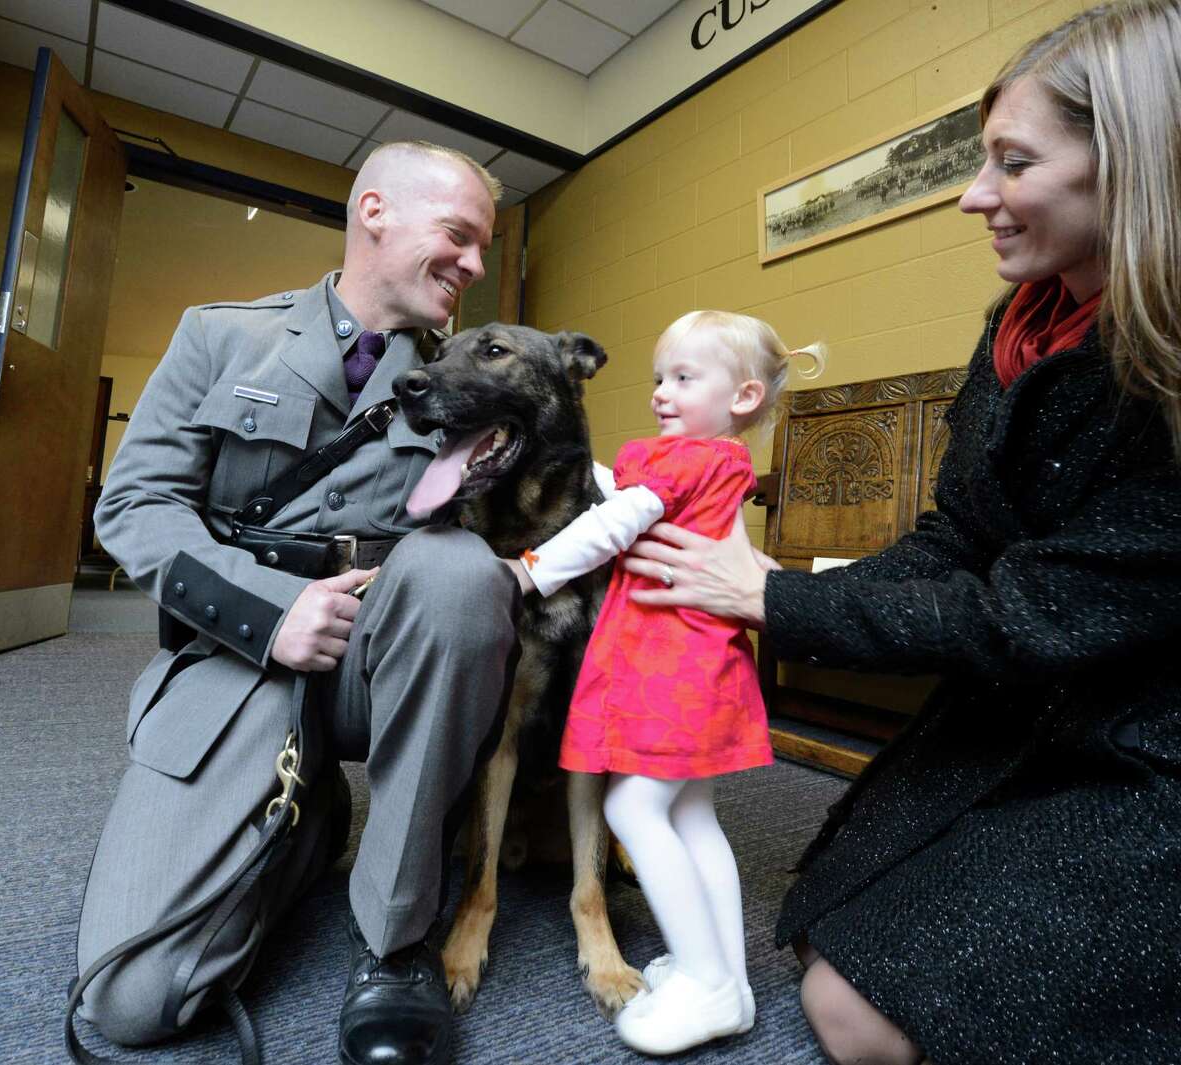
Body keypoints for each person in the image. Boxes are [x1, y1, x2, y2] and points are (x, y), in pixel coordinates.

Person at [621, 2, 1181, 1063]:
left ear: (1137, 167)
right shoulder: (1020, 324)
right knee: (829, 917)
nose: (976, 197)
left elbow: (1038, 612)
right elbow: (955, 537)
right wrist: (771, 600)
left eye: (1012, 165)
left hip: (1146, 736)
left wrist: (776, 600)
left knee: (855, 1013)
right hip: (1035, 700)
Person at [74, 141, 523, 1065]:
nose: (476, 265)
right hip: (237, 653)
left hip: (384, 654)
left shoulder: (463, 380)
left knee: (459, 574)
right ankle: (309, 822)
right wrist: (270, 614)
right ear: (374, 214)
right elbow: (133, 504)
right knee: (136, 1000)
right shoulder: (222, 335)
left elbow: (511, 516)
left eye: (484, 246)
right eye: (458, 235)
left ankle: (396, 941)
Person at [505, 311, 823, 1055]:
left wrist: (527, 570)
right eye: (658, 378)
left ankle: (708, 984)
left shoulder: (674, 463)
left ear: (743, 396)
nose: (660, 392)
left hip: (668, 667)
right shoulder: (724, 463)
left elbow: (613, 527)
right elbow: (641, 505)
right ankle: (729, 977)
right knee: (693, 818)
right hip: (710, 665)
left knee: (632, 807)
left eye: (683, 378)